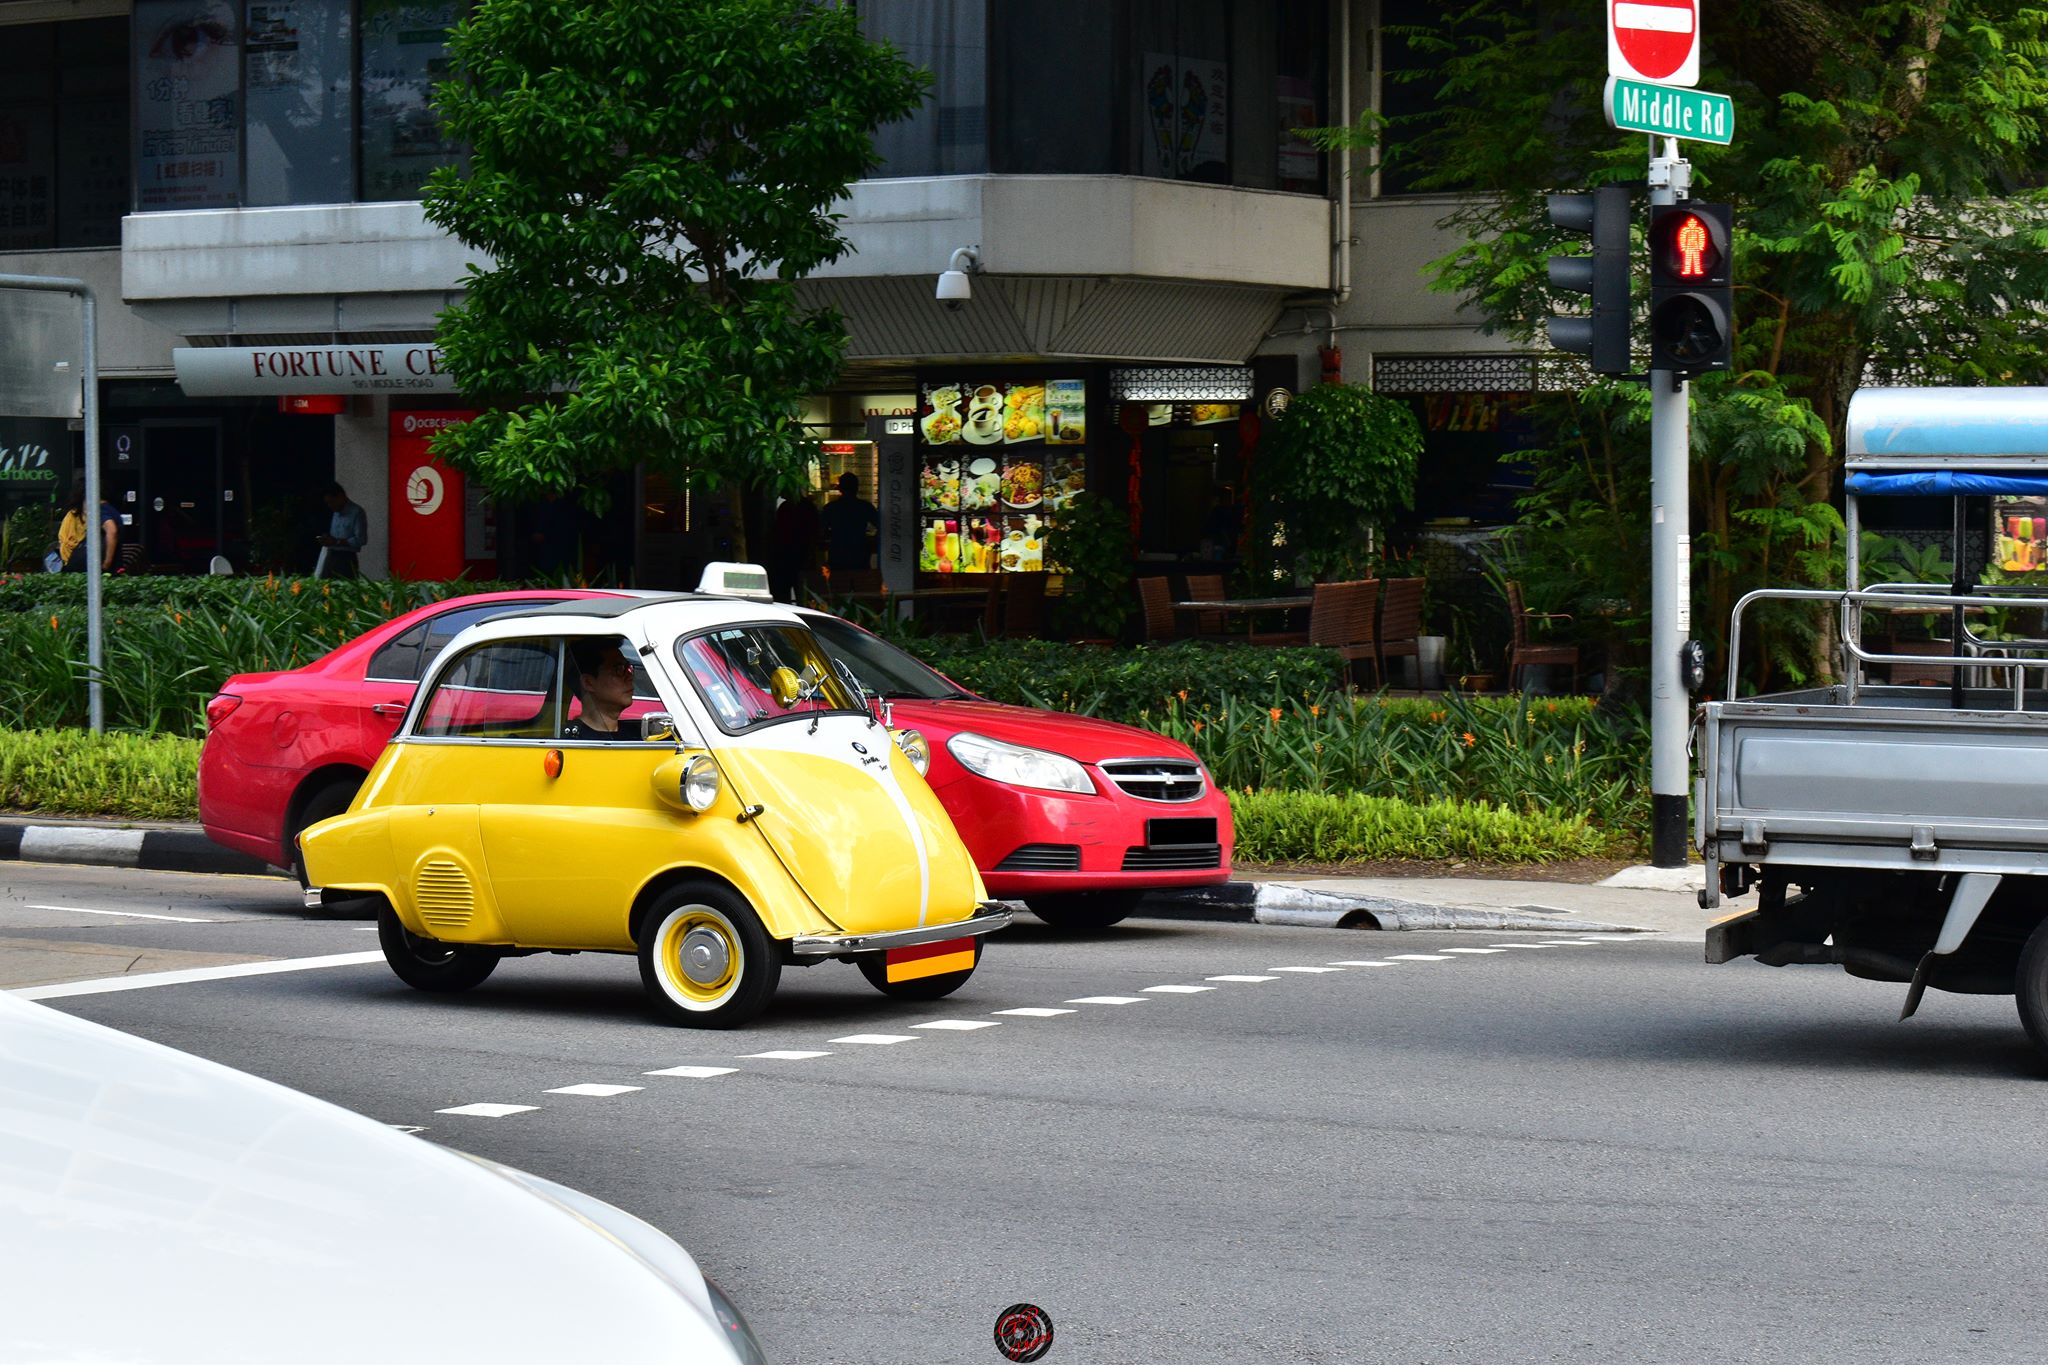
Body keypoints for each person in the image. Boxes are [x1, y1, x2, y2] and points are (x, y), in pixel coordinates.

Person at [562, 638, 641, 741]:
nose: (630, 676)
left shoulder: (637, 733)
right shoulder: (571, 742)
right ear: (588, 683)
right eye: (619, 669)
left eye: (629, 668)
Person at [818, 472, 879, 573]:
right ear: (857, 488)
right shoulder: (865, 507)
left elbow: (821, 531)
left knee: (840, 585)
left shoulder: (831, 508)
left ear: (840, 488)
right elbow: (881, 526)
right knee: (860, 584)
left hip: (838, 554)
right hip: (859, 553)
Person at [768, 489, 821, 603]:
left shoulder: (787, 508)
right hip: (798, 556)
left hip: (789, 557)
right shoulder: (805, 507)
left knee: (788, 594)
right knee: (803, 594)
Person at [60, 489, 120, 574]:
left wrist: (106, 564)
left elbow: (112, 530)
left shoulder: (100, 511)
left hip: (101, 570)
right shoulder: (111, 510)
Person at [316, 482, 367, 578]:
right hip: (331, 555)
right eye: (328, 503)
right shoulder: (335, 513)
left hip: (346, 559)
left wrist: (337, 541)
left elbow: (361, 539)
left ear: (340, 497)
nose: (330, 506)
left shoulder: (356, 512)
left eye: (332, 502)